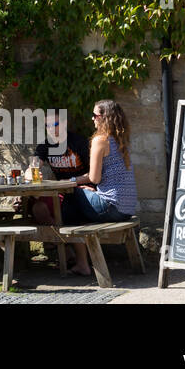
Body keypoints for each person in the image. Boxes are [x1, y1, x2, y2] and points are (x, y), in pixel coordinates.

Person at [66, 98, 138, 275]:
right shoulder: (120, 138)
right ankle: (80, 260)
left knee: (69, 199)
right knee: (80, 202)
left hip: (111, 207)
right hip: (127, 208)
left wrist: (71, 181)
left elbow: (94, 178)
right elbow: (110, 178)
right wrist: (96, 192)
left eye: (95, 115)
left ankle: (76, 259)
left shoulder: (100, 140)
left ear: (104, 118)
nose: (92, 119)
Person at [25, 113, 89, 225]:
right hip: (61, 191)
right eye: (47, 125)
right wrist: (29, 174)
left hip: (82, 189)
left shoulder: (79, 142)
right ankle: (59, 239)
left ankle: (67, 240)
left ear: (64, 123)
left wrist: (77, 182)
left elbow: (94, 173)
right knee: (38, 208)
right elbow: (33, 166)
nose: (51, 129)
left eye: (55, 124)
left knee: (69, 213)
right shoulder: (45, 145)